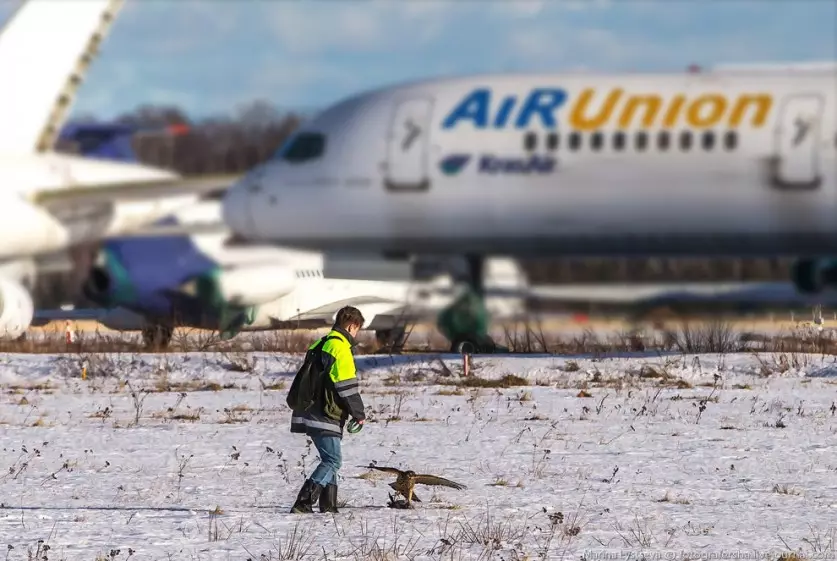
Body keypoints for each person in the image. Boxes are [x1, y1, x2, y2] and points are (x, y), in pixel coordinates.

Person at [290, 306, 367, 514]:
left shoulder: (320, 343)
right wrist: (359, 414)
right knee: (333, 460)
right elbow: (347, 386)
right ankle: (303, 502)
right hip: (325, 413)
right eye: (357, 329)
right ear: (352, 326)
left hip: (309, 410)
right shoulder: (340, 348)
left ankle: (328, 505)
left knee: (329, 458)